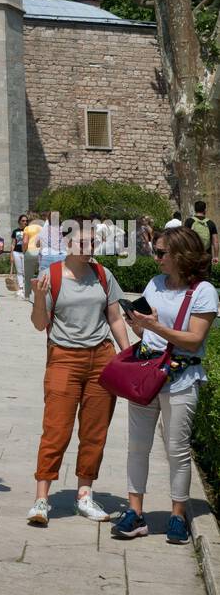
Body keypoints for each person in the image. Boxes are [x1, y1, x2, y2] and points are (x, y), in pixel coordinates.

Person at [113, 226, 219, 544]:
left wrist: (154, 325)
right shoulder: (156, 283)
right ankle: (135, 512)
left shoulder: (203, 292)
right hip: (148, 372)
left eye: (161, 253)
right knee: (137, 446)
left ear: (181, 255)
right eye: (154, 252)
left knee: (177, 450)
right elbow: (148, 335)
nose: (155, 258)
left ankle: (177, 515)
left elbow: (194, 339)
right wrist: (138, 325)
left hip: (181, 378)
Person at [27, 225, 130, 527]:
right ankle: (42, 498)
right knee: (56, 429)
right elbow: (39, 324)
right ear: (68, 244)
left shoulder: (102, 274)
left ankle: (84, 494)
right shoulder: (52, 276)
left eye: (93, 242)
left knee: (95, 430)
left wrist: (126, 357)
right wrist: (37, 297)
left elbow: (114, 317)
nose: (89, 247)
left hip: (101, 357)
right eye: (83, 242)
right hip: (64, 358)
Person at [10, 213, 28, 294]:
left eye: (26, 221)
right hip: (16, 252)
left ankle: (26, 287)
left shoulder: (28, 230)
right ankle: (21, 288)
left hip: (26, 253)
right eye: (23, 221)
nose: (25, 222)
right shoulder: (15, 231)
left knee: (25, 271)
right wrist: (11, 255)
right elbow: (13, 244)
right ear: (19, 222)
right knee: (19, 271)